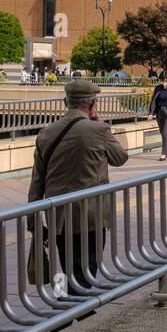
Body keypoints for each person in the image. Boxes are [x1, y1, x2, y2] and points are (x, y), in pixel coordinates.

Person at [28, 78, 129, 293]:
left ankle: (69, 310)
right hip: (90, 215)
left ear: (66, 102)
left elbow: (37, 180)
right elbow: (120, 158)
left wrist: (32, 220)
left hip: (58, 215)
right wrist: (101, 125)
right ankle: (66, 313)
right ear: (92, 105)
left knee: (66, 268)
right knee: (86, 270)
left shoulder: (46, 132)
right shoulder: (99, 130)